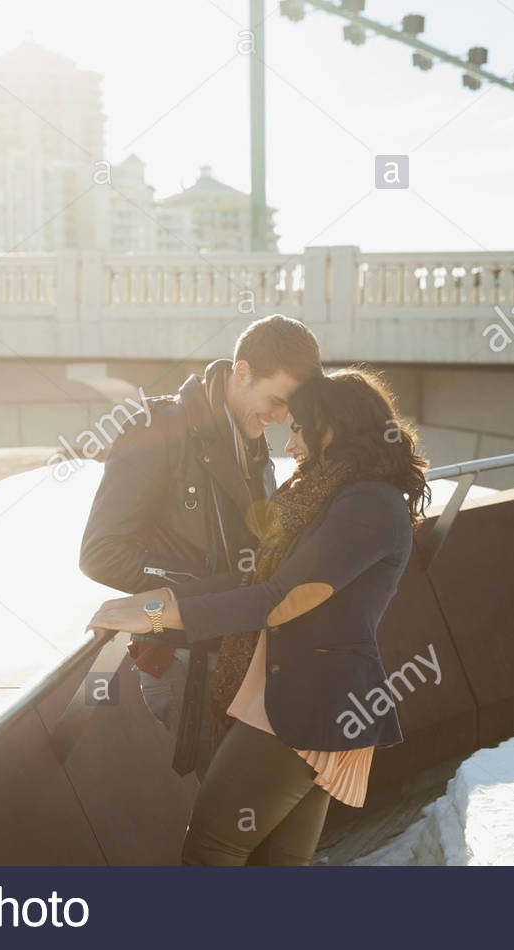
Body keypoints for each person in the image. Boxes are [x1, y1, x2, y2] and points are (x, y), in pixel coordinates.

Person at [88, 368, 431, 865]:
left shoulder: (368, 505)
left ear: (332, 426)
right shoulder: (337, 496)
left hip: (309, 705)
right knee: (276, 863)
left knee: (211, 849)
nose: (288, 443)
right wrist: (155, 601)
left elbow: (277, 597)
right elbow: (253, 580)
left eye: (298, 428)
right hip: (302, 701)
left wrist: (159, 618)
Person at [78, 313, 322, 778]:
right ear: (243, 371)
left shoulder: (250, 441)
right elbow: (99, 552)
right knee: (219, 822)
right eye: (275, 401)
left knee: (239, 812)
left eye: (286, 410)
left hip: (235, 657)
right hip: (186, 664)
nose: (278, 419)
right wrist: (201, 594)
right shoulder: (160, 427)